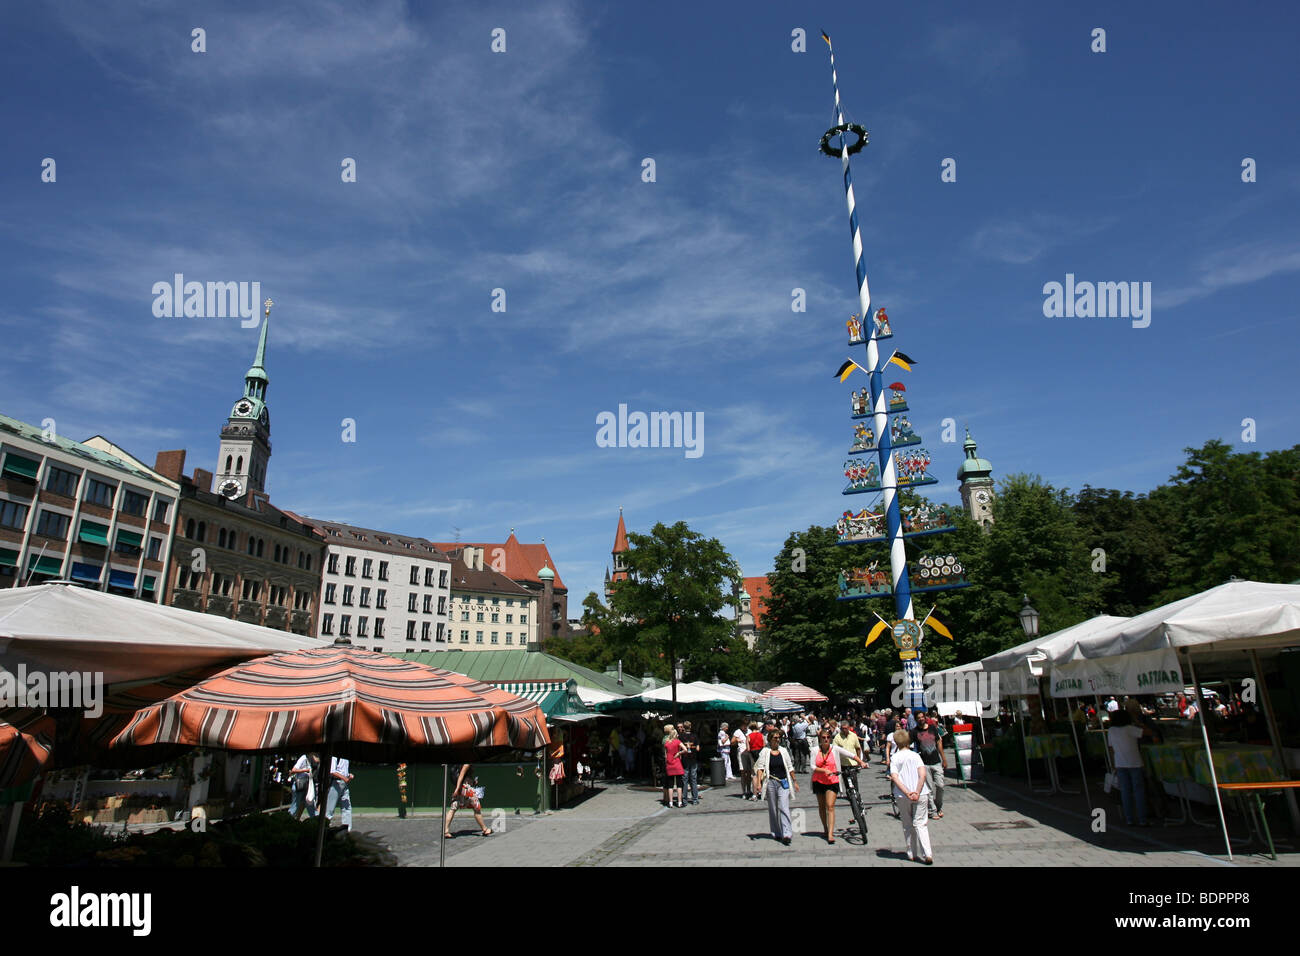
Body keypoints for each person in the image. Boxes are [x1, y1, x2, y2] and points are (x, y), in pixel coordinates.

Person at [810, 730, 865, 844]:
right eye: (823, 737)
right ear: (820, 739)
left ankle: (830, 834)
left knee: (830, 806)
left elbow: (850, 754)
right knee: (822, 806)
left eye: (828, 737)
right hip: (819, 781)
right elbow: (812, 766)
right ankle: (825, 828)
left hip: (832, 781)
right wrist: (824, 770)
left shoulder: (834, 749)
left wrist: (861, 762)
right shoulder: (815, 750)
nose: (826, 739)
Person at [888, 730, 932, 864]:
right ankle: (927, 853)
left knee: (907, 824)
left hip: (902, 795)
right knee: (921, 824)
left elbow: (894, 777)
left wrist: (907, 792)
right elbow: (922, 775)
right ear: (908, 741)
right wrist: (917, 791)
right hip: (921, 793)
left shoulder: (895, 757)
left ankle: (911, 853)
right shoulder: (915, 756)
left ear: (896, 742)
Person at [753, 730, 800, 845]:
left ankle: (787, 833)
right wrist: (758, 783)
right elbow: (760, 768)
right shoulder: (765, 751)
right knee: (773, 809)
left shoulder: (783, 751)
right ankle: (776, 832)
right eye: (775, 738)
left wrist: (794, 781)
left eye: (779, 738)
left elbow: (789, 767)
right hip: (771, 782)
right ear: (770, 739)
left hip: (783, 782)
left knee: (784, 807)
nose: (778, 740)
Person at [1106, 709, 1149, 826]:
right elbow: (1147, 732)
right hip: (1135, 762)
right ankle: (1142, 819)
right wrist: (1138, 722)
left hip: (1120, 763)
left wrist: (1112, 762)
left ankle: (1129, 818)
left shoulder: (1111, 730)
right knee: (1138, 791)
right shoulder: (1130, 729)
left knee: (1125, 791)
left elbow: (1110, 748)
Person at [444, 763, 492, 837]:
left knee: (453, 808)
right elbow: (461, 776)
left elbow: (464, 777)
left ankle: (446, 831)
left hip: (462, 788)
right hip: (466, 789)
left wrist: (473, 782)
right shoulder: (467, 764)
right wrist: (457, 789)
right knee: (477, 808)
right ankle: (485, 829)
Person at [913, 716, 946, 819]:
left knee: (940, 785)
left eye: (922, 717)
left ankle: (939, 806)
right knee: (929, 788)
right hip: (924, 763)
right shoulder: (914, 732)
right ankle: (933, 810)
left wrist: (943, 758)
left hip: (936, 761)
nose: (921, 719)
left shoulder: (932, 728)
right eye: (918, 718)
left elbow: (938, 742)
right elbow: (908, 744)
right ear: (916, 719)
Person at [324, 755, 354, 830]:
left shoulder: (346, 758)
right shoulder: (335, 757)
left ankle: (347, 829)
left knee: (347, 806)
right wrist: (344, 778)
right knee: (330, 808)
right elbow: (332, 771)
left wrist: (348, 775)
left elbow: (343, 770)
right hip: (336, 783)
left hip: (344, 784)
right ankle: (325, 827)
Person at [287, 752, 319, 819]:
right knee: (295, 806)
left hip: (308, 786)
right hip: (300, 785)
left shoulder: (315, 761)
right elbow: (293, 770)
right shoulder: (304, 758)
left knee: (310, 804)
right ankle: (287, 820)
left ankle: (315, 820)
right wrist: (305, 770)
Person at [663, 724, 686, 808]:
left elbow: (665, 755)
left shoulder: (666, 743)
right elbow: (685, 749)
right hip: (677, 763)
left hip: (669, 764)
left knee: (670, 785)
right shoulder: (677, 741)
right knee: (679, 784)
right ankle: (679, 802)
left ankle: (670, 802)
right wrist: (679, 753)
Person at [680, 720, 700, 805]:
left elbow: (679, 748)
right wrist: (694, 747)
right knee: (693, 779)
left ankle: (684, 800)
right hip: (693, 759)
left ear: (684, 727)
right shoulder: (695, 736)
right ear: (691, 726)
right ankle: (695, 799)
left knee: (685, 780)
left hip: (684, 759)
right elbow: (698, 749)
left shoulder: (681, 736)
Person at [746, 721, 767, 802]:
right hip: (761, 755)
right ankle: (763, 793)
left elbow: (748, 749)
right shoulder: (761, 735)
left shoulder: (748, 736)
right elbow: (764, 746)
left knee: (754, 775)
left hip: (753, 756)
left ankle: (754, 794)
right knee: (762, 773)